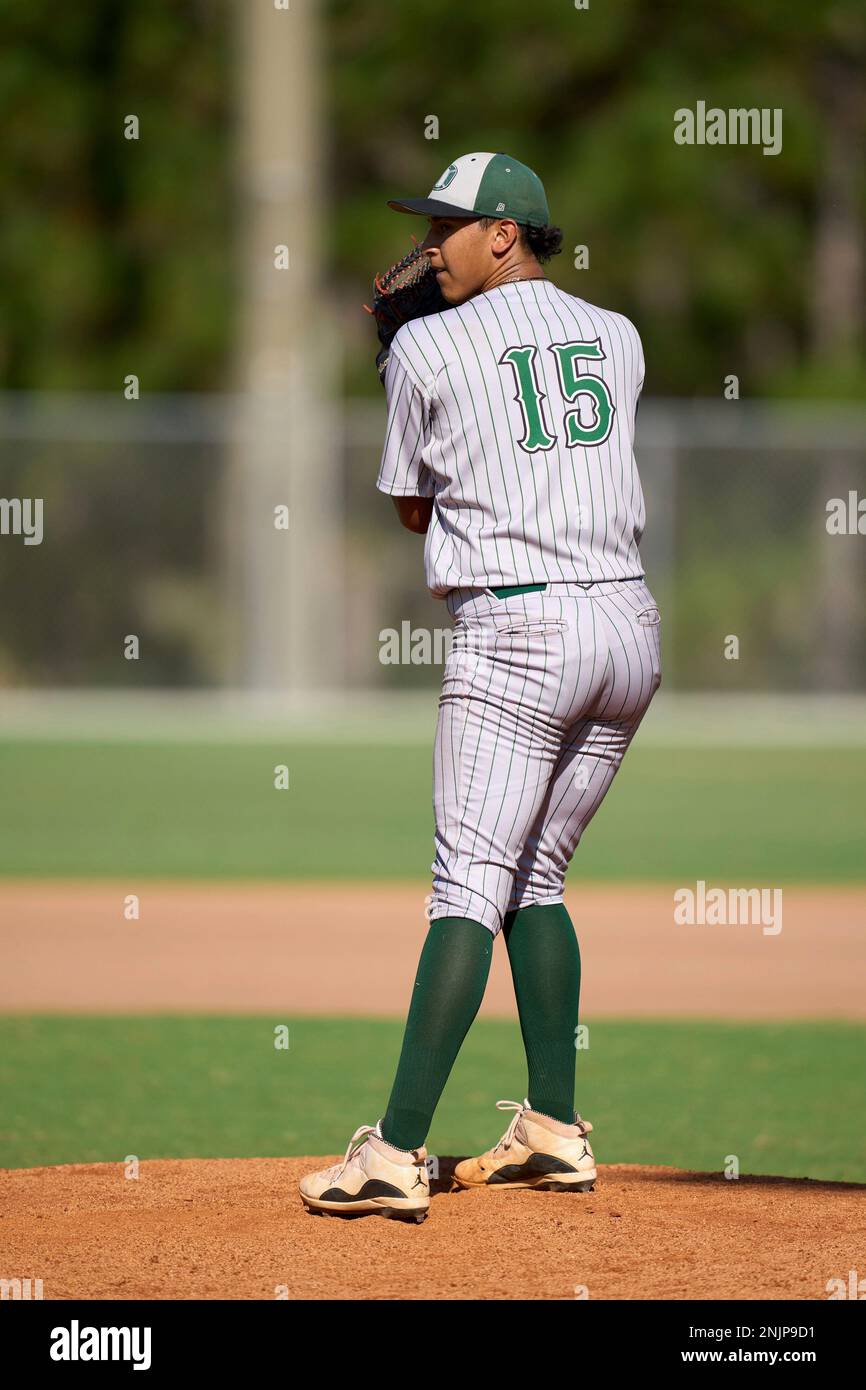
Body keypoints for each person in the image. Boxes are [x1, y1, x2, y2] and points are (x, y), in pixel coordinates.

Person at [299, 152, 661, 1223]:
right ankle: (552, 1126)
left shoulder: (424, 344)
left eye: (446, 227)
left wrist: (396, 353)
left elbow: (415, 508)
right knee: (535, 877)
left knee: (468, 883)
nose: (427, 248)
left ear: (503, 234)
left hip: (518, 624)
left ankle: (394, 1151)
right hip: (628, 628)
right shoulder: (620, 335)